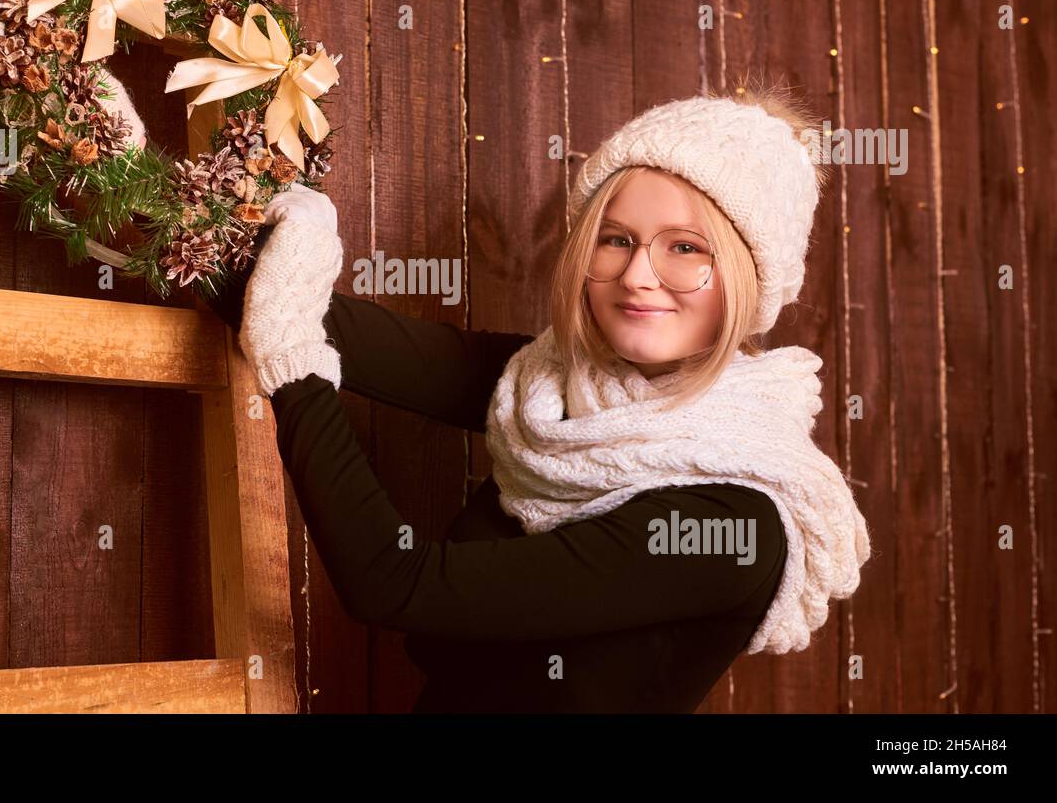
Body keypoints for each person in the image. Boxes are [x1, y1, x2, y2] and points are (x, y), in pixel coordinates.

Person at [208, 87, 873, 713]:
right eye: (617, 239)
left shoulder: (733, 525)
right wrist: (127, 156)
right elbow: (280, 300)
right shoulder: (542, 390)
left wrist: (294, 371)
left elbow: (393, 581)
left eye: (686, 248)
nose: (639, 276)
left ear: (749, 282)